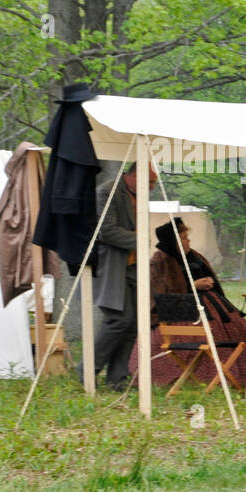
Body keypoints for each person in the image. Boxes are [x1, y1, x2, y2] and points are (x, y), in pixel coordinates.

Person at [132, 219, 246, 387]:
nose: (188, 241)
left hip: (213, 306)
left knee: (230, 335)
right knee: (203, 337)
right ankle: (200, 376)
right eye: (184, 238)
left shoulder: (194, 256)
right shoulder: (160, 260)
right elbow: (161, 295)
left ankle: (234, 372)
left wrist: (208, 282)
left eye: (187, 237)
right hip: (181, 312)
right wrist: (194, 285)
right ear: (174, 241)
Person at [92, 162, 156, 389]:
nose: (151, 187)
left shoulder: (138, 196)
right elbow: (105, 230)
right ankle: (88, 371)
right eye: (148, 182)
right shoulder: (106, 192)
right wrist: (140, 239)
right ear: (133, 175)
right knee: (119, 319)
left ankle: (117, 378)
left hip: (132, 266)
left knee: (132, 324)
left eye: (153, 183)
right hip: (111, 267)